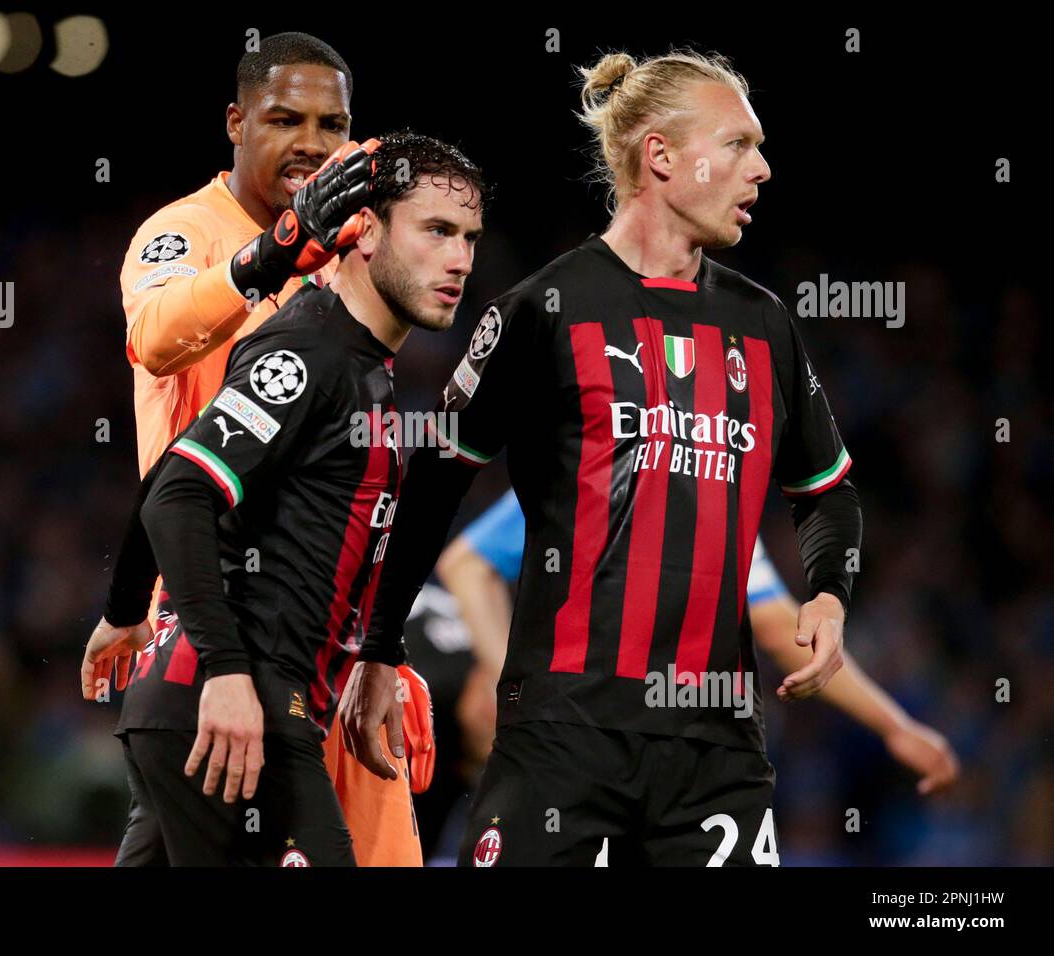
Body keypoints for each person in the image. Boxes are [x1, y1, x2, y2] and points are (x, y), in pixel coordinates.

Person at [342, 48, 863, 866]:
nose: (760, 169)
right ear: (659, 155)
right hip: (562, 740)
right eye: (737, 144)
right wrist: (378, 651)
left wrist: (829, 592)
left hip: (717, 752)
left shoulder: (764, 326)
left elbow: (827, 491)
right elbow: (434, 487)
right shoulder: (542, 312)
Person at [84, 132, 486, 864]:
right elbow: (179, 496)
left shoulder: (355, 362)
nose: (459, 259)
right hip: (236, 710)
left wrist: (124, 604)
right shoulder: (311, 353)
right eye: (435, 230)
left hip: (207, 706)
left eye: (468, 237)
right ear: (362, 231)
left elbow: (181, 465)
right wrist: (229, 673)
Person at [439, 490, 958, 796]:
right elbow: (464, 565)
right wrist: (510, 680)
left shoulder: (715, 492)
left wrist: (894, 725)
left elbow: (780, 629)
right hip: (562, 750)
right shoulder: (591, 466)